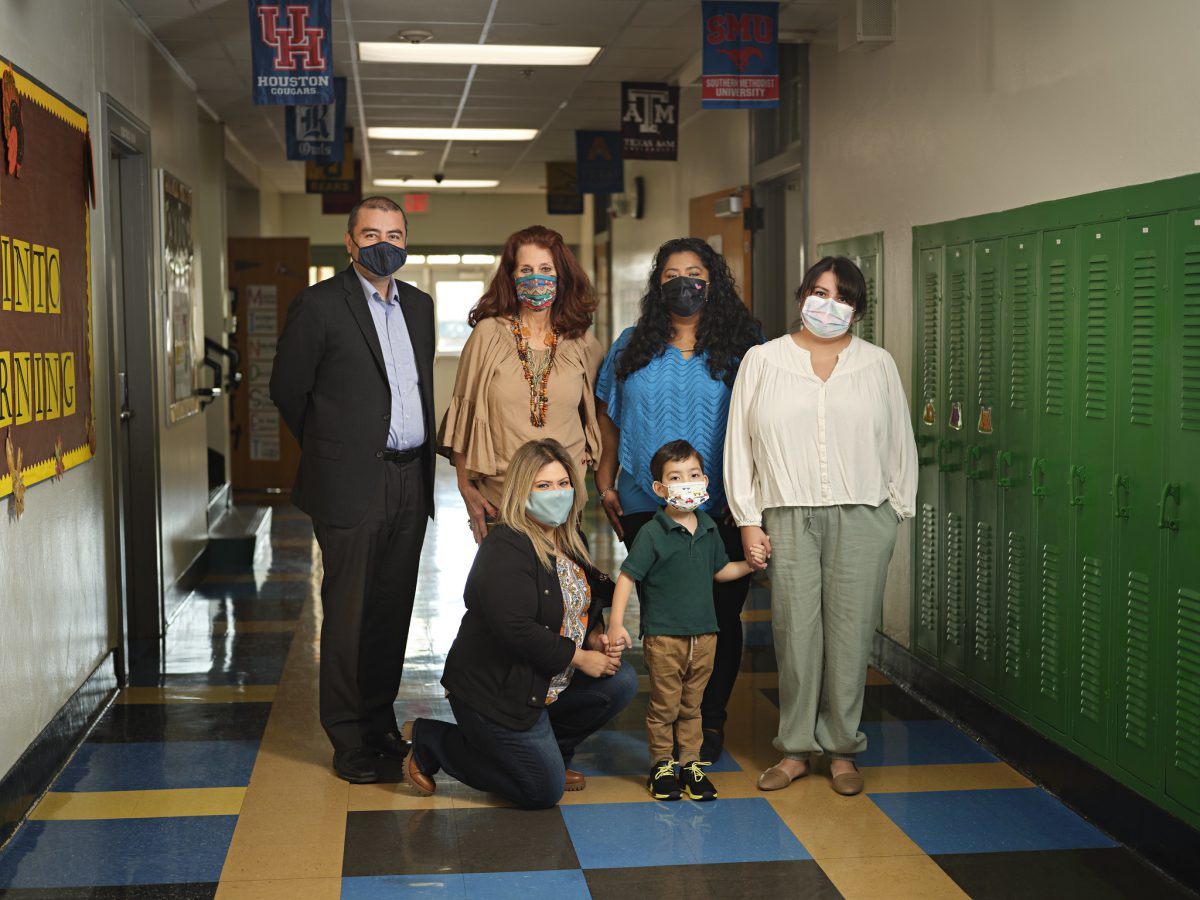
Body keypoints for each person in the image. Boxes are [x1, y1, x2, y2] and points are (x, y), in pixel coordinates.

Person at [724, 256, 918, 796]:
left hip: (863, 515)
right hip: (787, 516)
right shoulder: (762, 361)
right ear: (801, 295)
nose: (826, 304)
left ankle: (841, 749)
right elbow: (740, 441)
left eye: (840, 296)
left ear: (856, 309)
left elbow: (900, 441)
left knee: (852, 637)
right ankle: (795, 750)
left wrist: (894, 511)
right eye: (817, 291)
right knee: (795, 633)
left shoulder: (877, 365)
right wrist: (747, 518)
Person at [270, 196, 435, 785]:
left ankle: (377, 722)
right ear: (349, 241)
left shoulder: (418, 305)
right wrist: (333, 450)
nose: (382, 243)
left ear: (407, 238)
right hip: (350, 482)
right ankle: (348, 739)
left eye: (393, 233)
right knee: (348, 613)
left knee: (391, 611)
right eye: (370, 234)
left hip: (412, 476)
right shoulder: (318, 305)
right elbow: (289, 391)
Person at [594, 237, 762, 762]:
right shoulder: (629, 347)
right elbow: (608, 422)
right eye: (671, 273)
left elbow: (760, 428)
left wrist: (754, 501)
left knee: (719, 617)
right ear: (657, 282)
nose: (683, 282)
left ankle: (709, 722)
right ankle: (668, 718)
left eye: (694, 272)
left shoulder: (744, 351)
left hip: (723, 505)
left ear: (712, 281)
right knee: (667, 617)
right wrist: (603, 483)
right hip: (647, 501)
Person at [403, 439, 637, 809]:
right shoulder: (506, 547)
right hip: (495, 692)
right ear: (521, 490)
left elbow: (583, 596)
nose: (557, 493)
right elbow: (516, 628)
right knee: (542, 791)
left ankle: (549, 754)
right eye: (543, 486)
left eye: (563, 483)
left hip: (539, 683)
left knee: (620, 680)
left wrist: (596, 635)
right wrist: (578, 658)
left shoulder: (569, 537)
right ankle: (433, 742)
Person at [606, 440, 763, 802]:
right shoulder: (652, 532)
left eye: (693, 475)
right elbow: (628, 577)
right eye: (676, 478)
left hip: (705, 635)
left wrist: (750, 565)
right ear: (660, 489)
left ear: (706, 482)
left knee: (692, 704)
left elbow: (721, 571)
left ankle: (690, 764)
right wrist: (616, 624)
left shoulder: (708, 527)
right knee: (665, 705)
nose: (687, 483)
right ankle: (661, 765)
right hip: (664, 638)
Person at [438, 225, 602, 543]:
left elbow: (596, 412)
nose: (535, 278)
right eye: (525, 270)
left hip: (563, 501)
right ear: (511, 277)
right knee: (510, 589)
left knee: (565, 590)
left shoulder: (582, 341)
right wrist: (465, 487)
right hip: (501, 498)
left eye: (545, 269)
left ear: (561, 276)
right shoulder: (487, 334)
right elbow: (463, 417)